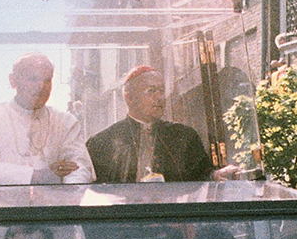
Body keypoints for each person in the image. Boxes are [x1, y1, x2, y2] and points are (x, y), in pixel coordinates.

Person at [0, 52, 94, 185]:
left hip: (54, 200)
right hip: (1, 200)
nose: (41, 87)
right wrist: (35, 176)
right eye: (33, 79)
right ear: (13, 81)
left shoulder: (66, 122)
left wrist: (71, 191)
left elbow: (79, 166)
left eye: (47, 80)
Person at [87, 66, 218, 183]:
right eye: (151, 91)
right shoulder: (102, 142)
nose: (160, 97)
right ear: (129, 98)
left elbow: (203, 178)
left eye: (162, 90)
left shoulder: (184, 136)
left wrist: (215, 176)